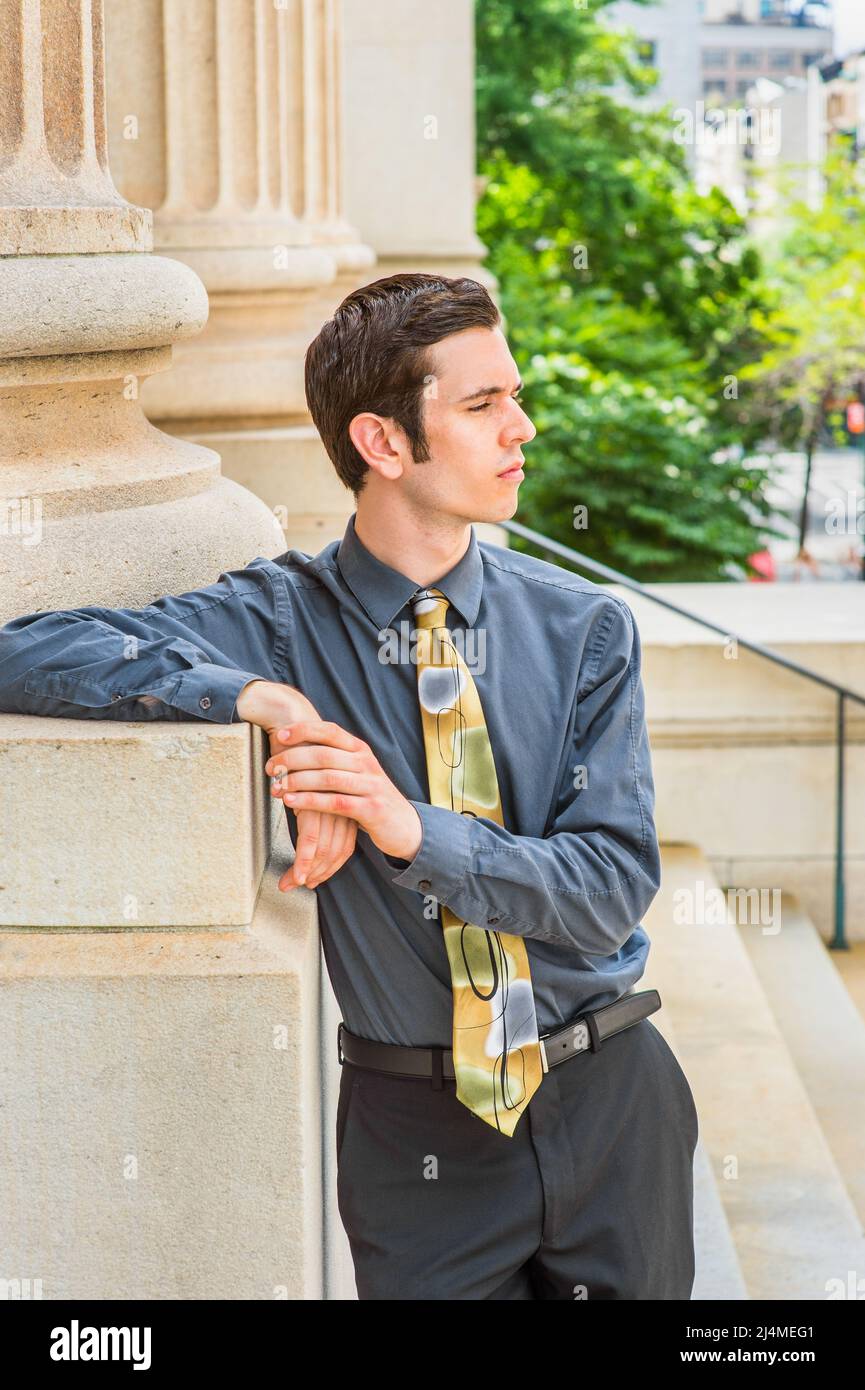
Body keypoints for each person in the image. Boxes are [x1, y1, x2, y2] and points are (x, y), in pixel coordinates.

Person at [0, 272, 698, 1300]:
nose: (524, 427)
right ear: (382, 443)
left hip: (613, 1102)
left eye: (513, 395)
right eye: (482, 404)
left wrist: (406, 823)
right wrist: (263, 699)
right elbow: (30, 650)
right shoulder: (278, 622)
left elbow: (604, 892)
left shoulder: (582, 628)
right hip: (416, 1140)